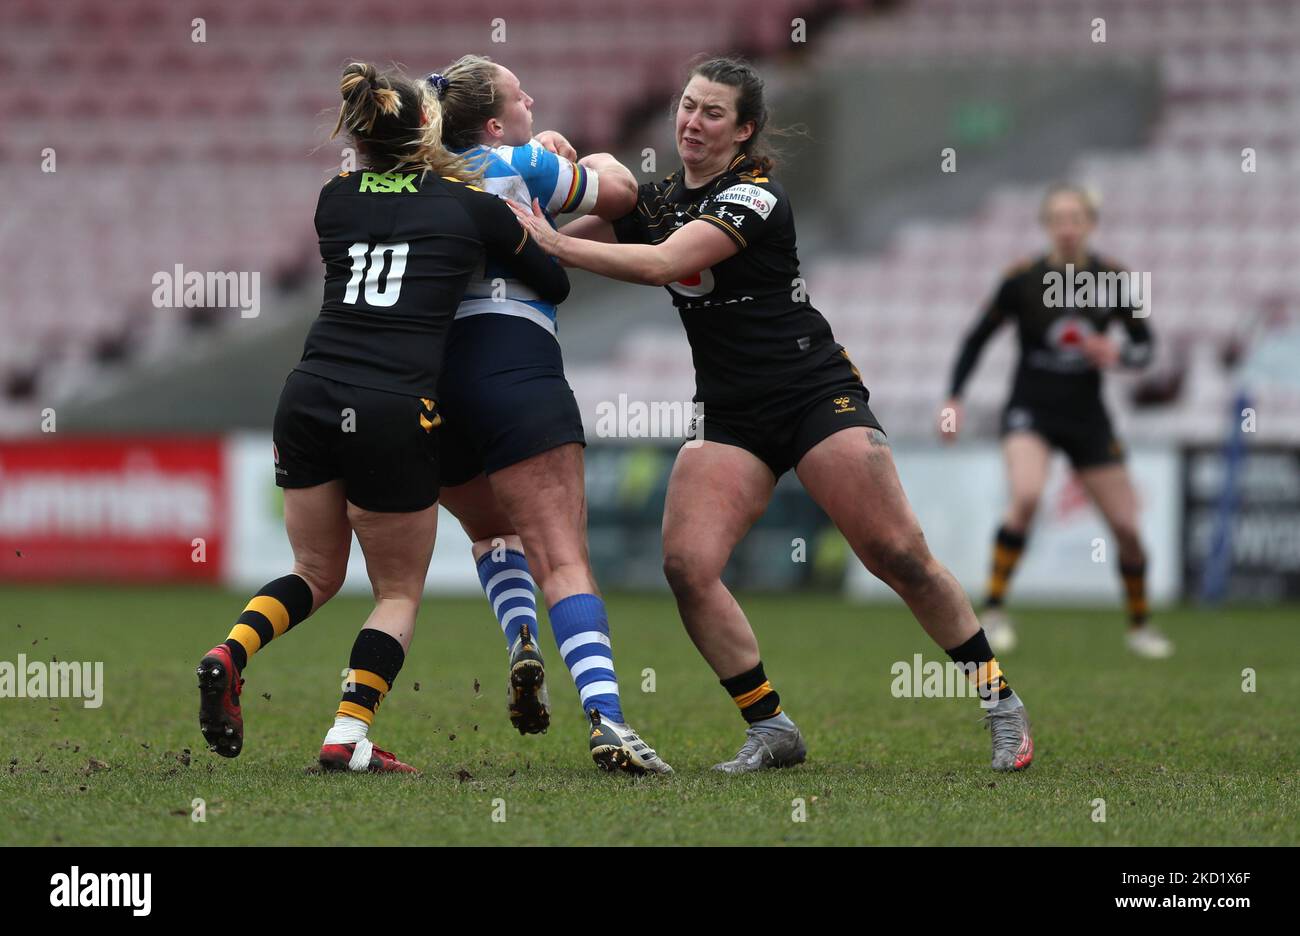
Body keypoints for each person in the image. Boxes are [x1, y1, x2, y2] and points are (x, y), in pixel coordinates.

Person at [510, 57, 1034, 773]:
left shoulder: (756, 197)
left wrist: (551, 237)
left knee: (898, 555)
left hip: (813, 392)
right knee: (688, 566)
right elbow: (606, 194)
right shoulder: (659, 198)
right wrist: (559, 161)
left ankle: (999, 699)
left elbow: (661, 263)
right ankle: (771, 726)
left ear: (744, 129)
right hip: (729, 412)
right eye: (688, 106)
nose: (693, 122)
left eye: (714, 113)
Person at [195, 62, 570, 773]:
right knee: (396, 591)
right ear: (428, 129)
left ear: (359, 139)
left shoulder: (332, 198)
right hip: (393, 406)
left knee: (312, 570)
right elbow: (555, 279)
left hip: (307, 393)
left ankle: (229, 652)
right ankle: (347, 736)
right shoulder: (469, 205)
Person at [425, 54, 671, 774]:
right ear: (495, 122)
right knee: (562, 557)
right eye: (519, 92)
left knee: (490, 533)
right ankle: (607, 722)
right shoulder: (519, 160)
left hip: (432, 377)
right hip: (514, 355)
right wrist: (581, 152)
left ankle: (519, 638)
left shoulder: (415, 175)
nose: (533, 97)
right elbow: (622, 193)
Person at [941, 183, 1172, 659]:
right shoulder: (1022, 279)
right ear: (1046, 225)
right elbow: (975, 338)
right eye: (1058, 219)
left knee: (1127, 529)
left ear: (1090, 224)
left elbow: (1146, 344)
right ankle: (996, 609)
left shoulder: (1112, 278)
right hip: (1032, 409)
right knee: (1025, 496)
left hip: (1088, 416)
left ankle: (1140, 625)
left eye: (1075, 218)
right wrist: (954, 399)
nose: (1067, 228)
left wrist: (1120, 352)